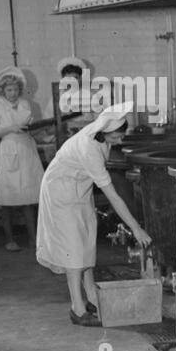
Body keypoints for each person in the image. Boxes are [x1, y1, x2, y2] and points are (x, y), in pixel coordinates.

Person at [35, 101, 151, 326]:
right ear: (104, 133)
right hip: (61, 192)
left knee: (86, 242)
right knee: (74, 249)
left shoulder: (99, 136)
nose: (120, 141)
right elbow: (113, 196)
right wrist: (135, 228)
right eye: (116, 137)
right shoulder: (89, 148)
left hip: (79, 189)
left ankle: (91, 297)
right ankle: (77, 309)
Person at [0, 67, 43, 252]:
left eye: (16, 89)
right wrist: (10, 128)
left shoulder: (25, 104)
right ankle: (10, 240)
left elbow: (29, 127)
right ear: (2, 90)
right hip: (9, 151)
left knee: (29, 200)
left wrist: (41, 130)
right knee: (7, 200)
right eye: (9, 90)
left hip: (27, 151)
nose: (13, 93)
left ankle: (34, 240)